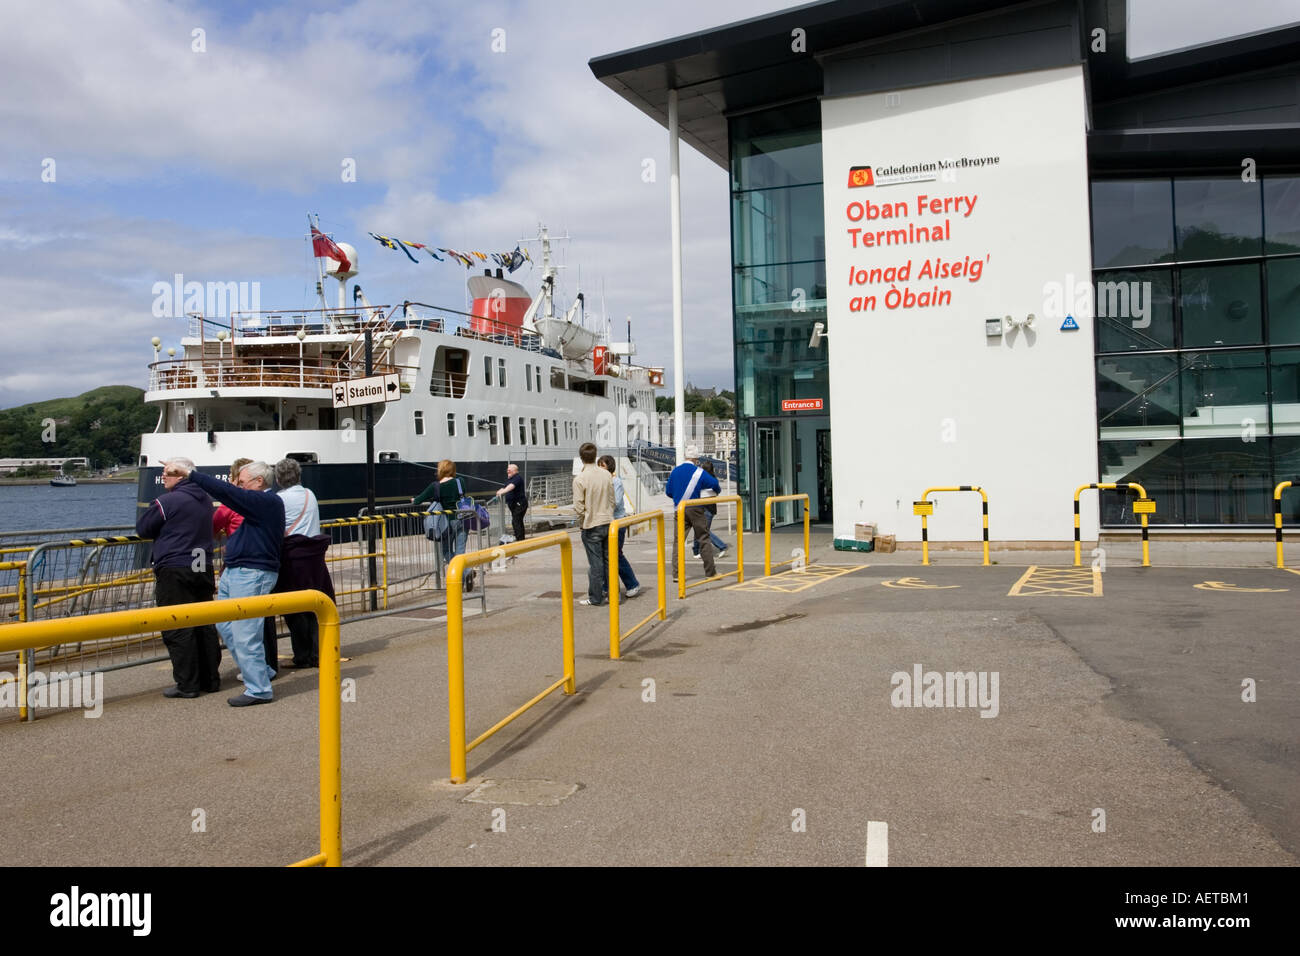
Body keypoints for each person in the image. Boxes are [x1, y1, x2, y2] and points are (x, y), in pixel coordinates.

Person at [178, 460, 285, 706]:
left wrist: (192, 475)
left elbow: (226, 493)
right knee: (227, 627)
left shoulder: (267, 502)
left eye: (242, 482)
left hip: (251, 573)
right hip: (237, 571)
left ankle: (259, 689)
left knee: (246, 633)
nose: (237, 486)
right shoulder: (261, 505)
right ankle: (261, 672)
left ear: (259, 482)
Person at [135, 457, 221, 698]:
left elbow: (142, 529)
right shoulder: (205, 499)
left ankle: (187, 684)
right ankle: (210, 678)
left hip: (174, 566)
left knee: (177, 625)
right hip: (200, 564)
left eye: (169, 473)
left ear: (182, 475)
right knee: (204, 623)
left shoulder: (167, 501)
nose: (164, 477)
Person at [262, 458, 332, 671]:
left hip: (293, 558)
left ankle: (302, 655)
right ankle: (319, 652)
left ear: (278, 479)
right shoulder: (310, 494)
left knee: (295, 610)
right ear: (298, 475)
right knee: (315, 608)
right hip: (315, 558)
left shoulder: (278, 500)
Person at [413, 459, 475, 592]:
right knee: (460, 552)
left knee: (446, 551)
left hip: (448, 522)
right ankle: (463, 579)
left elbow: (417, 501)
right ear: (453, 470)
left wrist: (416, 499)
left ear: (440, 470)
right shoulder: (460, 481)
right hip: (464, 519)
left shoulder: (435, 486)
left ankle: (467, 573)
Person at [665, 445, 721, 583]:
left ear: (685, 457)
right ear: (696, 459)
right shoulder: (699, 472)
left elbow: (668, 492)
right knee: (703, 539)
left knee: (678, 542)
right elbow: (715, 485)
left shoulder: (675, 471)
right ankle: (710, 572)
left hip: (679, 509)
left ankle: (677, 574)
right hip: (695, 508)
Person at [572, 442, 614, 606]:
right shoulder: (606, 475)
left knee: (596, 565)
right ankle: (613, 594)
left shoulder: (579, 479)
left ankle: (596, 597)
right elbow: (612, 500)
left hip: (591, 524)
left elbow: (579, 507)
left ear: (581, 458)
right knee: (610, 561)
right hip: (608, 522)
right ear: (595, 456)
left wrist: (585, 518)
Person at [599, 455, 641, 598]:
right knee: (606, 556)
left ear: (609, 467)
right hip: (606, 522)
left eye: (602, 466)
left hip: (616, 521)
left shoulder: (616, 481)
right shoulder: (601, 482)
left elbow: (616, 502)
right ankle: (607, 586)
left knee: (616, 554)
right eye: (599, 466)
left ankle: (632, 584)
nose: (600, 469)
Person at [692, 459, 728, 560]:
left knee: (703, 530)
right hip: (710, 508)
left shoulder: (702, 479)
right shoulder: (713, 479)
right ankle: (696, 550)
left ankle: (721, 546)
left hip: (703, 507)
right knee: (698, 529)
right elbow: (718, 491)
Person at [212, 457, 252, 542]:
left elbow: (212, 528)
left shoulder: (230, 502)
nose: (229, 479)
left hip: (240, 551)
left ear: (238, 478)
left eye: (231, 475)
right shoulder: (263, 498)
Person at [494, 463, 528, 542]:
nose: (507, 471)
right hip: (514, 504)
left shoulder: (517, 478)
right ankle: (520, 538)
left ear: (515, 471)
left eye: (509, 470)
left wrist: (502, 492)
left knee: (516, 521)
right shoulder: (510, 479)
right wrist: (499, 491)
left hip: (520, 504)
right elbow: (505, 487)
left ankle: (520, 540)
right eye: (507, 470)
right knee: (518, 521)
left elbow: (511, 486)